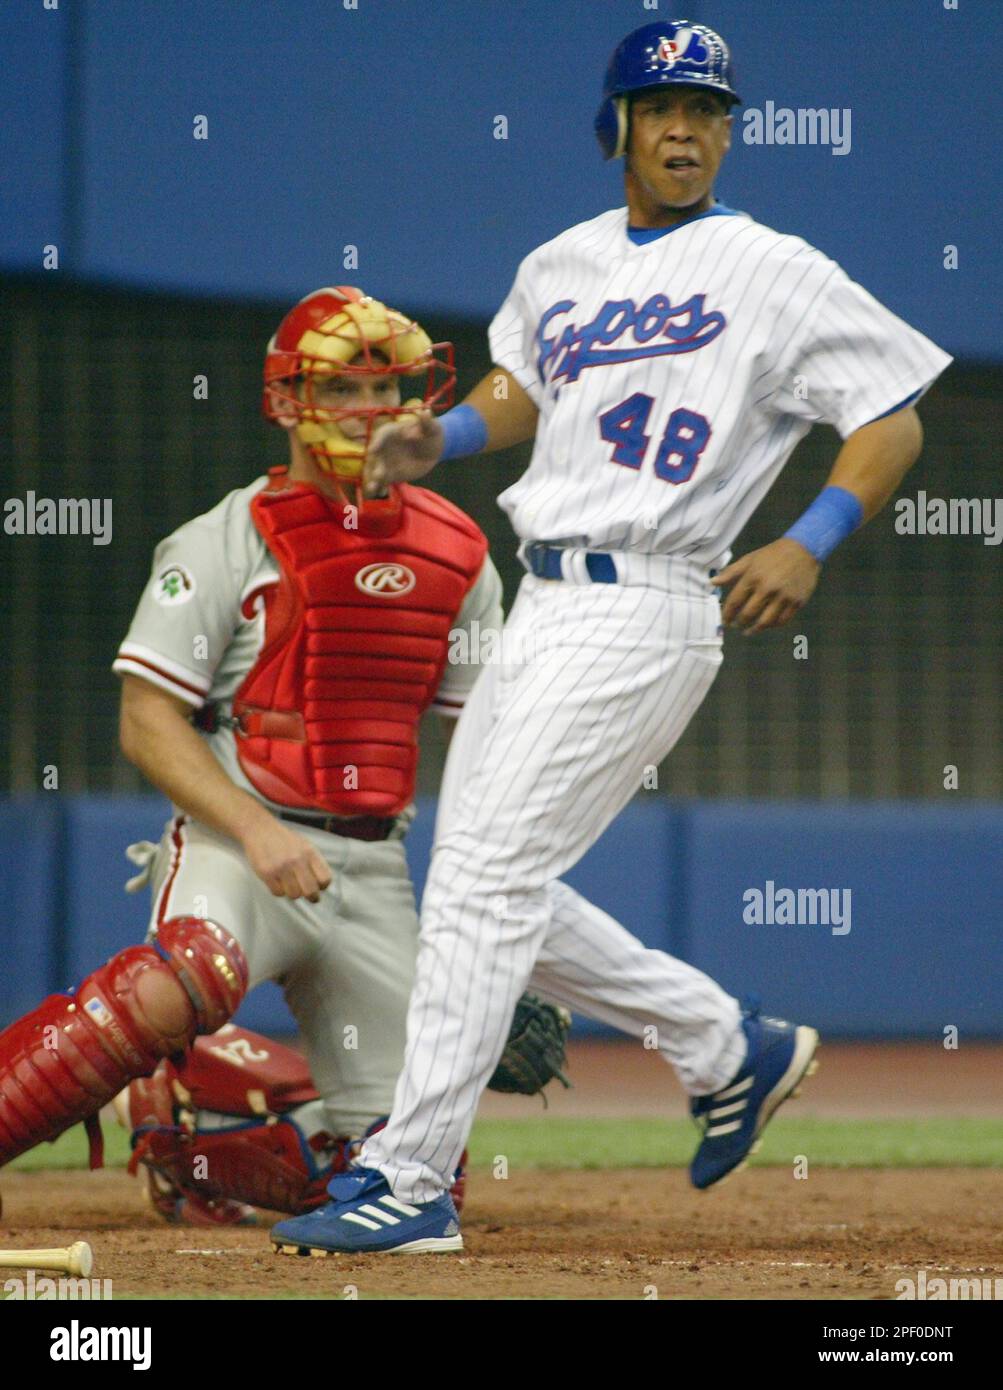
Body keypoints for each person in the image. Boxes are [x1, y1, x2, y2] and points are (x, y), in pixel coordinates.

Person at [269, 21, 952, 1257]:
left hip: (649, 597)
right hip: (545, 599)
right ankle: (720, 1041)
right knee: (483, 880)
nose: (685, 128)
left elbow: (893, 415)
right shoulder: (559, 265)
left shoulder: (772, 268)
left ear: (729, 132)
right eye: (660, 108)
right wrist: (444, 441)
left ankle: (411, 1174)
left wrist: (810, 538)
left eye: (708, 110)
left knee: (481, 881)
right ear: (617, 129)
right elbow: (520, 391)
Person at [0, 287, 568, 1223]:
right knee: (183, 975)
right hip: (240, 843)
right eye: (344, 386)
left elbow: (482, 751)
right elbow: (146, 721)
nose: (373, 410)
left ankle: (197, 1136)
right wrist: (258, 834)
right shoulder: (226, 537)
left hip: (374, 862)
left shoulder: (461, 553)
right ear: (286, 401)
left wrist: (494, 944)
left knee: (408, 1171)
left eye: (390, 389)